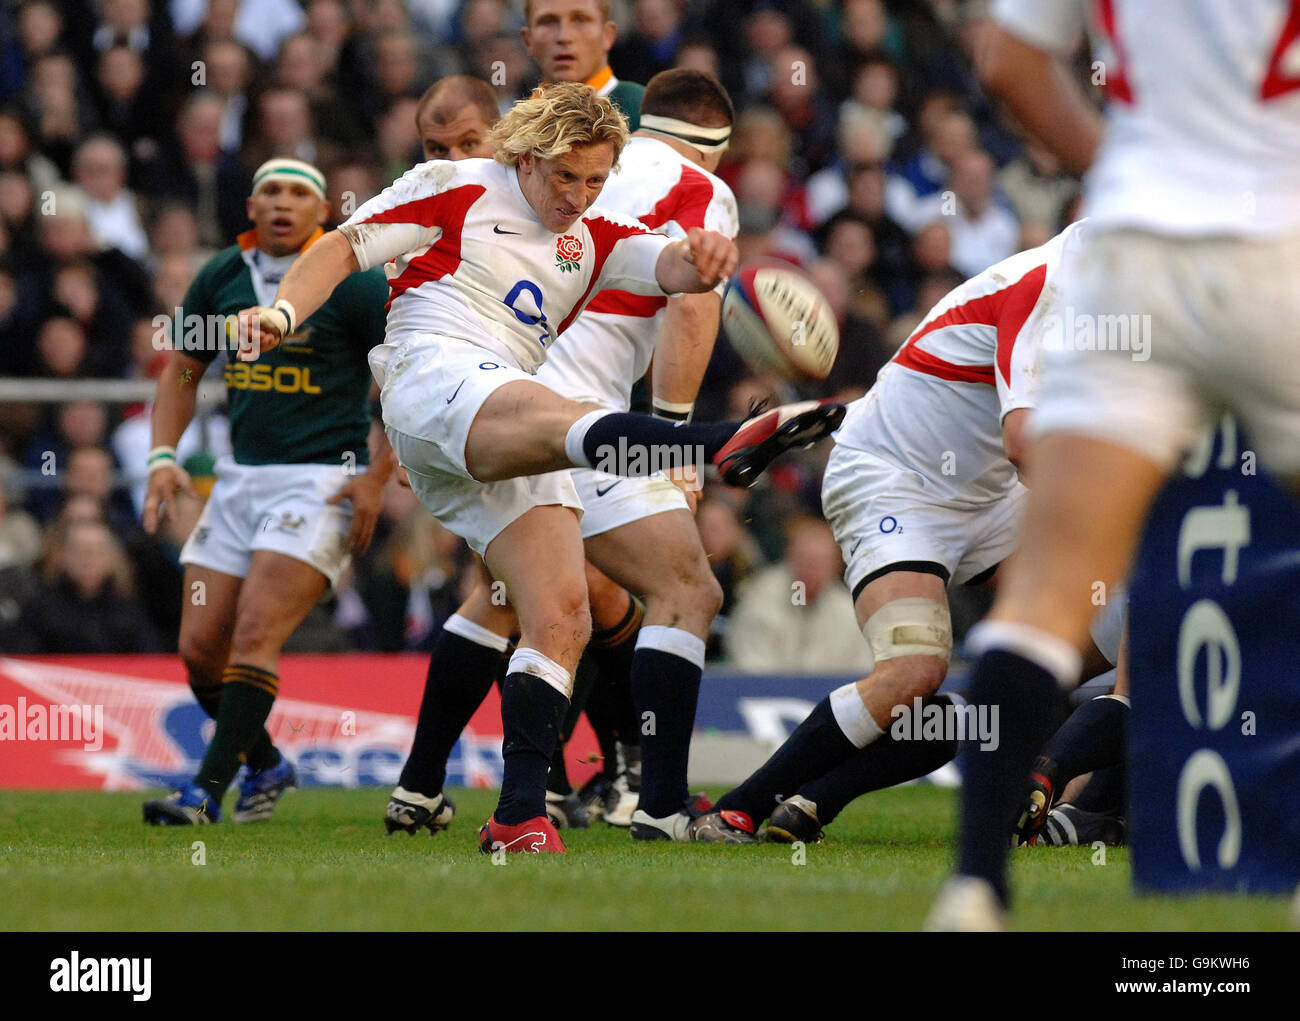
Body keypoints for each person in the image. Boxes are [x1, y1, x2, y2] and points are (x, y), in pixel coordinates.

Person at [235, 83, 841, 853]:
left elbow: (675, 270)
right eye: (564, 177)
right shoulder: (457, 185)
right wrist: (283, 314)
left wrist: (709, 257)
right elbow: (341, 248)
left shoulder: (595, 232)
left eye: (594, 180)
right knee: (562, 418)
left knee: (563, 613)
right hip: (435, 377)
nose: (578, 196)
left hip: (504, 426)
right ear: (523, 157)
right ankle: (713, 443)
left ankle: (518, 813)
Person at [927, 0, 1300, 930]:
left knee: (1048, 597)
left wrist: (1125, 173)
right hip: (1279, 249)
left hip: (1133, 257)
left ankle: (976, 888)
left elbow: (1009, 62)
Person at [385, 68, 742, 843]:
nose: (582, 188)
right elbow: (690, 306)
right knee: (680, 589)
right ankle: (654, 795)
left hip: (480, 397)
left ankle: (435, 785)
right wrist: (678, 443)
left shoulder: (565, 176)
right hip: (579, 418)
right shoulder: (694, 187)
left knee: (526, 600)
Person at [689, 222, 1120, 843]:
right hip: (897, 481)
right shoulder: (1045, 288)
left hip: (993, 491)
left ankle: (827, 795)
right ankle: (741, 807)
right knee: (913, 671)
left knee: (1105, 625)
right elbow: (1025, 443)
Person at [141, 158, 395, 825]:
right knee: (200, 650)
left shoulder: (354, 278)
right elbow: (183, 371)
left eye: (300, 193)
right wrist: (164, 455)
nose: (284, 204)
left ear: (323, 211)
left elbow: (407, 375)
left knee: (255, 632)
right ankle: (266, 763)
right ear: (251, 207)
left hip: (322, 482)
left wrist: (376, 474)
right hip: (238, 478)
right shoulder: (221, 275)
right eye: (272, 192)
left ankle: (203, 794)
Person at [522, 0, 644, 129]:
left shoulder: (646, 114)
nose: (564, 36)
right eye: (548, 21)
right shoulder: (511, 131)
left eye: (580, 20)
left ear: (608, 35)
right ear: (528, 41)